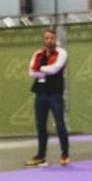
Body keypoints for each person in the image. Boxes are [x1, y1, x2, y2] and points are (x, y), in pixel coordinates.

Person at [26, 29, 70, 166]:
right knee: (40, 125)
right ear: (44, 39)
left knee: (60, 124)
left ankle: (65, 154)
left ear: (56, 39)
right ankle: (41, 156)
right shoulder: (38, 54)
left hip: (56, 94)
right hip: (40, 94)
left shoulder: (62, 53)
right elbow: (31, 72)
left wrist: (40, 69)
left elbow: (55, 69)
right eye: (47, 38)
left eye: (52, 38)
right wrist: (45, 71)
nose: (49, 40)